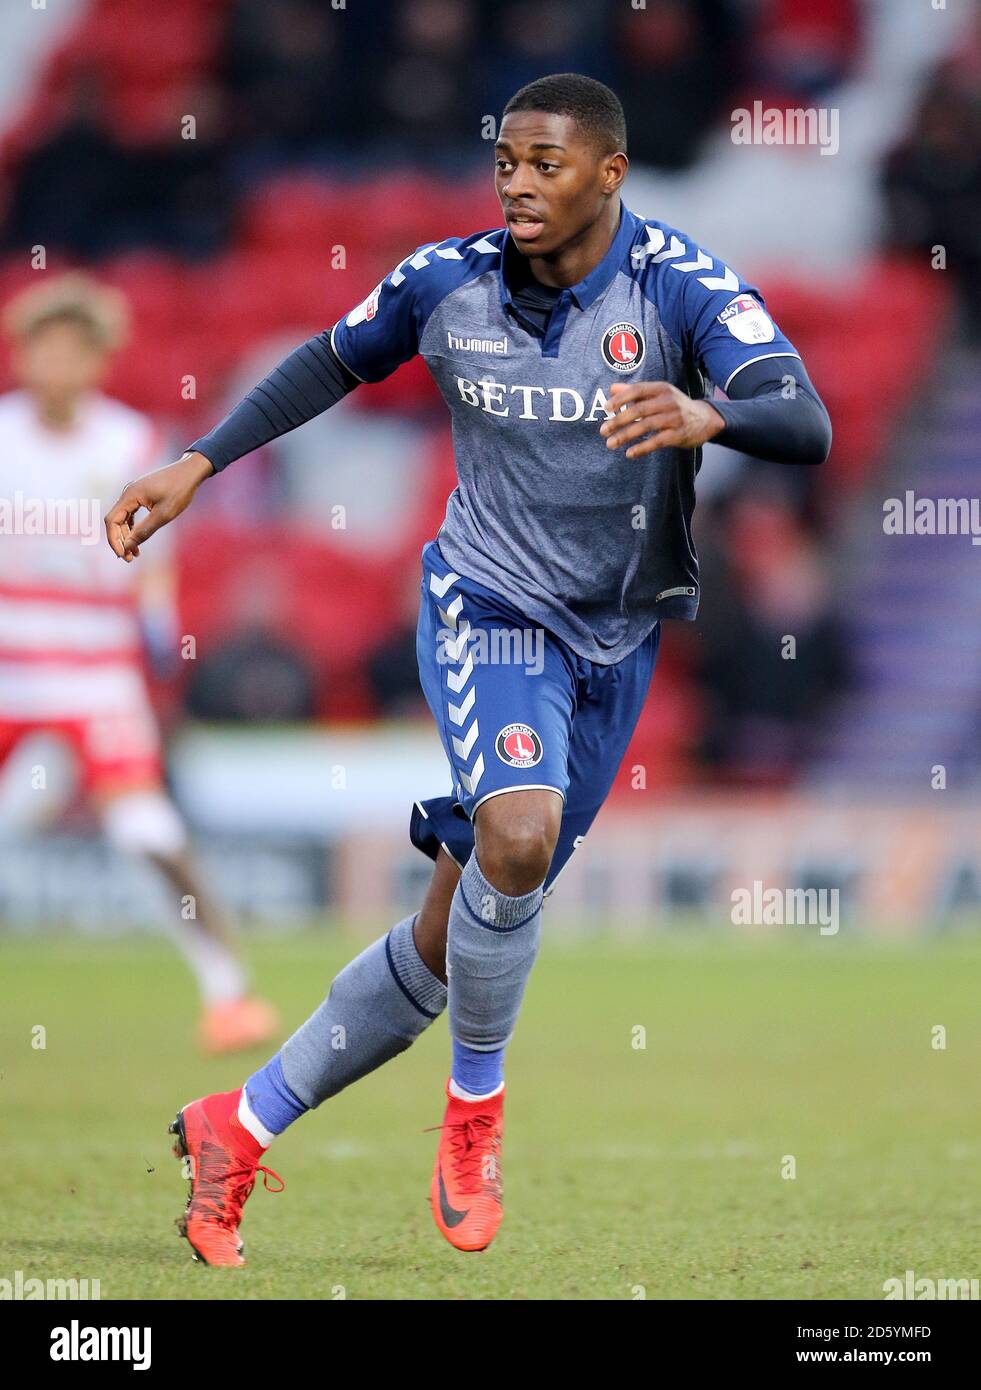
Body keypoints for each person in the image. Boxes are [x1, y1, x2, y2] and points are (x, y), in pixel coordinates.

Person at [105, 74, 831, 1265]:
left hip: (617, 632)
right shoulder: (449, 280)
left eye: (549, 166)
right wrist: (199, 460)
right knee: (520, 842)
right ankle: (474, 1118)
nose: (520, 185)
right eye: (508, 164)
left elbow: (803, 421)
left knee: (459, 928)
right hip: (489, 601)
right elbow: (330, 360)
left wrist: (709, 416)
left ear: (610, 175)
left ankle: (236, 1124)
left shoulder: (681, 288)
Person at [0, 275, 278, 1054]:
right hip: (8, 658)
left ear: (98, 360)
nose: (52, 362)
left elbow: (154, 555)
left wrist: (157, 624)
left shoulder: (127, 442)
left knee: (145, 829)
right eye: (39, 345)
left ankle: (229, 995)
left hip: (94, 667)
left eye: (70, 348)